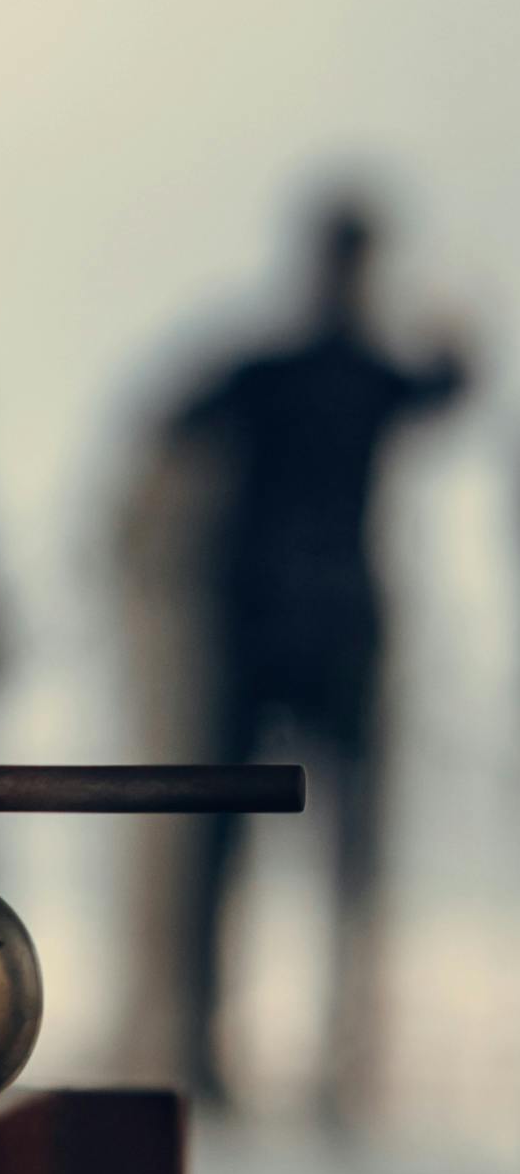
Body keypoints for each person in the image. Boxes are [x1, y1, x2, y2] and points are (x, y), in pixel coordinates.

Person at [165, 190, 475, 1124]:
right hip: (302, 633)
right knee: (286, 852)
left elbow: (175, 425)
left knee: (287, 852)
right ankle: (259, 1055)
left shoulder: (276, 372)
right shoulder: (326, 373)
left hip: (284, 633)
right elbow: (450, 381)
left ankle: (311, 1060)